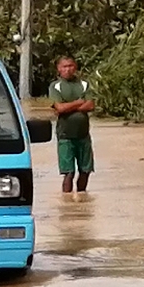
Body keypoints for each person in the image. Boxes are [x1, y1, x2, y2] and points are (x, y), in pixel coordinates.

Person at [48, 57, 95, 194]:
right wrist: (79, 103)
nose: (67, 69)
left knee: (86, 171)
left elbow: (90, 105)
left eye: (70, 66)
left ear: (75, 67)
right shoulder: (55, 86)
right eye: (64, 66)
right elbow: (60, 108)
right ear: (59, 69)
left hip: (83, 135)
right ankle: (67, 200)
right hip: (65, 136)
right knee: (69, 173)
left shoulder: (84, 84)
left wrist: (68, 107)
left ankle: (82, 198)